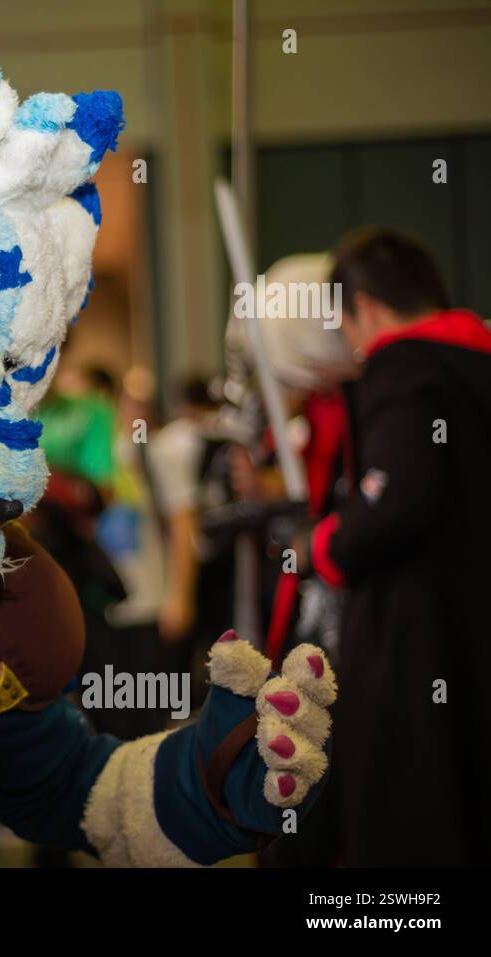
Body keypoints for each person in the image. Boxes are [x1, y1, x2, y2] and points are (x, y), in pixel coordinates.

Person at [309, 227, 491, 865]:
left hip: (414, 642)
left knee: (405, 821)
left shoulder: (405, 366)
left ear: (366, 309)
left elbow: (397, 496)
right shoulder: (476, 363)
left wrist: (332, 541)